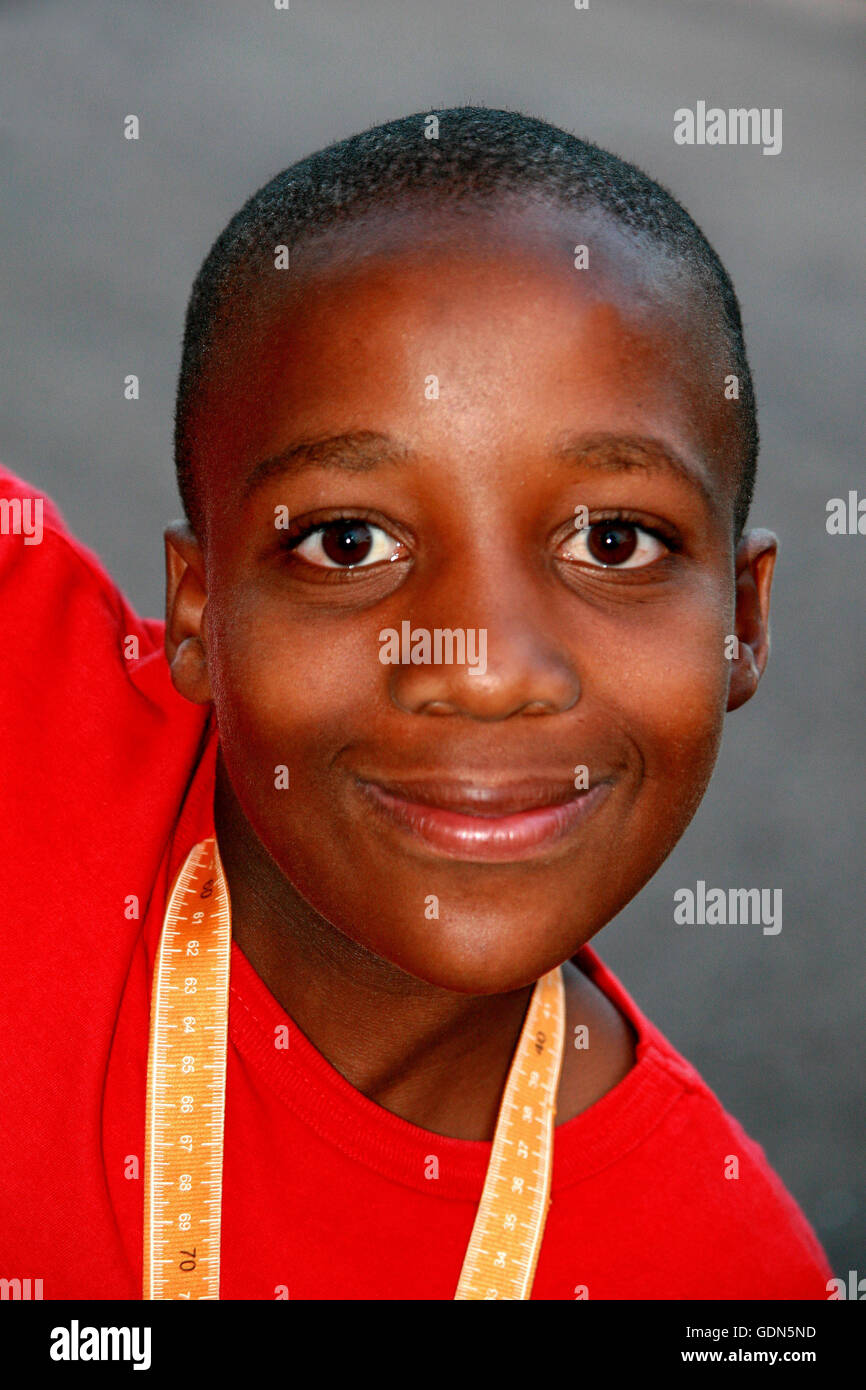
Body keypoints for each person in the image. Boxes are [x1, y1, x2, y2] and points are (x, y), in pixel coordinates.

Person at [0, 107, 833, 1300]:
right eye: (346, 541)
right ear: (198, 610)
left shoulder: (724, 1280)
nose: (485, 669)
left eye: (613, 540)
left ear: (740, 624)